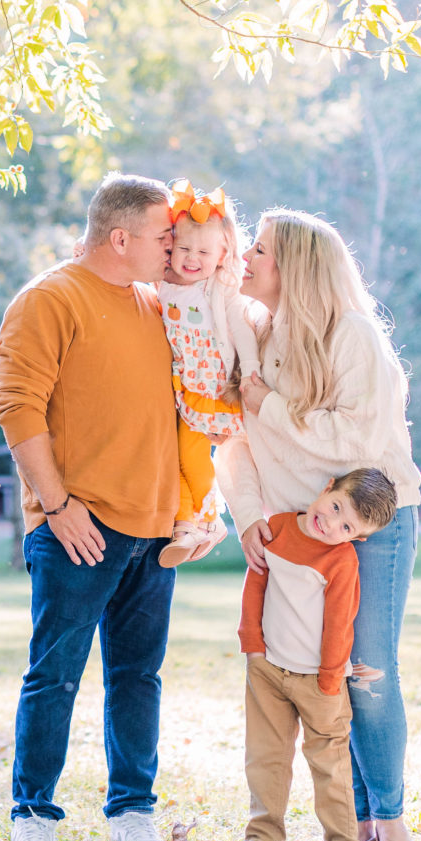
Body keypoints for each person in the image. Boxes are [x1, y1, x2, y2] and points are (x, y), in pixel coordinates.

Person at [0, 172, 217, 841]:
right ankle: (32, 814)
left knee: (137, 676)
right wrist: (56, 505)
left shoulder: (158, 306)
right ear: (120, 238)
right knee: (55, 674)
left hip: (155, 530)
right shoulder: (49, 299)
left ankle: (132, 811)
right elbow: (17, 407)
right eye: (161, 236)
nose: (172, 247)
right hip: (77, 529)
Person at [215, 207, 421, 841]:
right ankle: (354, 825)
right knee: (317, 674)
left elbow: (357, 442)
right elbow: (235, 438)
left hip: (370, 524)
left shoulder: (354, 335)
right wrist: (249, 515)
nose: (247, 257)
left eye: (261, 249)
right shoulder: (256, 336)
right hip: (301, 531)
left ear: (297, 268)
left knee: (367, 671)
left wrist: (269, 405)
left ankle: (388, 823)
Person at [219, 467, 400, 841]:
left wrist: (330, 679)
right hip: (267, 670)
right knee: (265, 757)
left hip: (319, 682)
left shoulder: (342, 560)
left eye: (346, 524)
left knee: (330, 765)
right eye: (335, 506)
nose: (331, 522)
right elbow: (256, 582)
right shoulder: (279, 528)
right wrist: (253, 647)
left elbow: (341, 622)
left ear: (358, 537)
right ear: (326, 488)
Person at [154, 180, 260, 567]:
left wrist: (249, 371)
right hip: (182, 390)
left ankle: (208, 518)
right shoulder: (160, 282)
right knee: (179, 458)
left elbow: (242, 329)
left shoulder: (220, 287)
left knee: (201, 460)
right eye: (183, 248)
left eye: (203, 251)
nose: (192, 258)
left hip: (216, 390)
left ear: (222, 253)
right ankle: (192, 524)